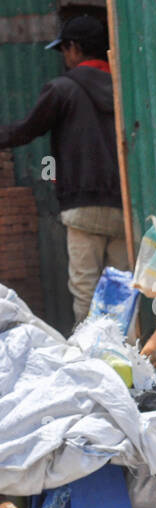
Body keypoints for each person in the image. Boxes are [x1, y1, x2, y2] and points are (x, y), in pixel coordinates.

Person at [0, 15, 126, 324]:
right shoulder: (126, 88)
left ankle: (90, 364)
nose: (65, 58)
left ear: (75, 48)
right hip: (124, 209)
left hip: (83, 208)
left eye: (65, 50)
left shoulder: (62, 89)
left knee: (86, 294)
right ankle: (128, 360)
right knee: (122, 294)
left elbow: (27, 130)